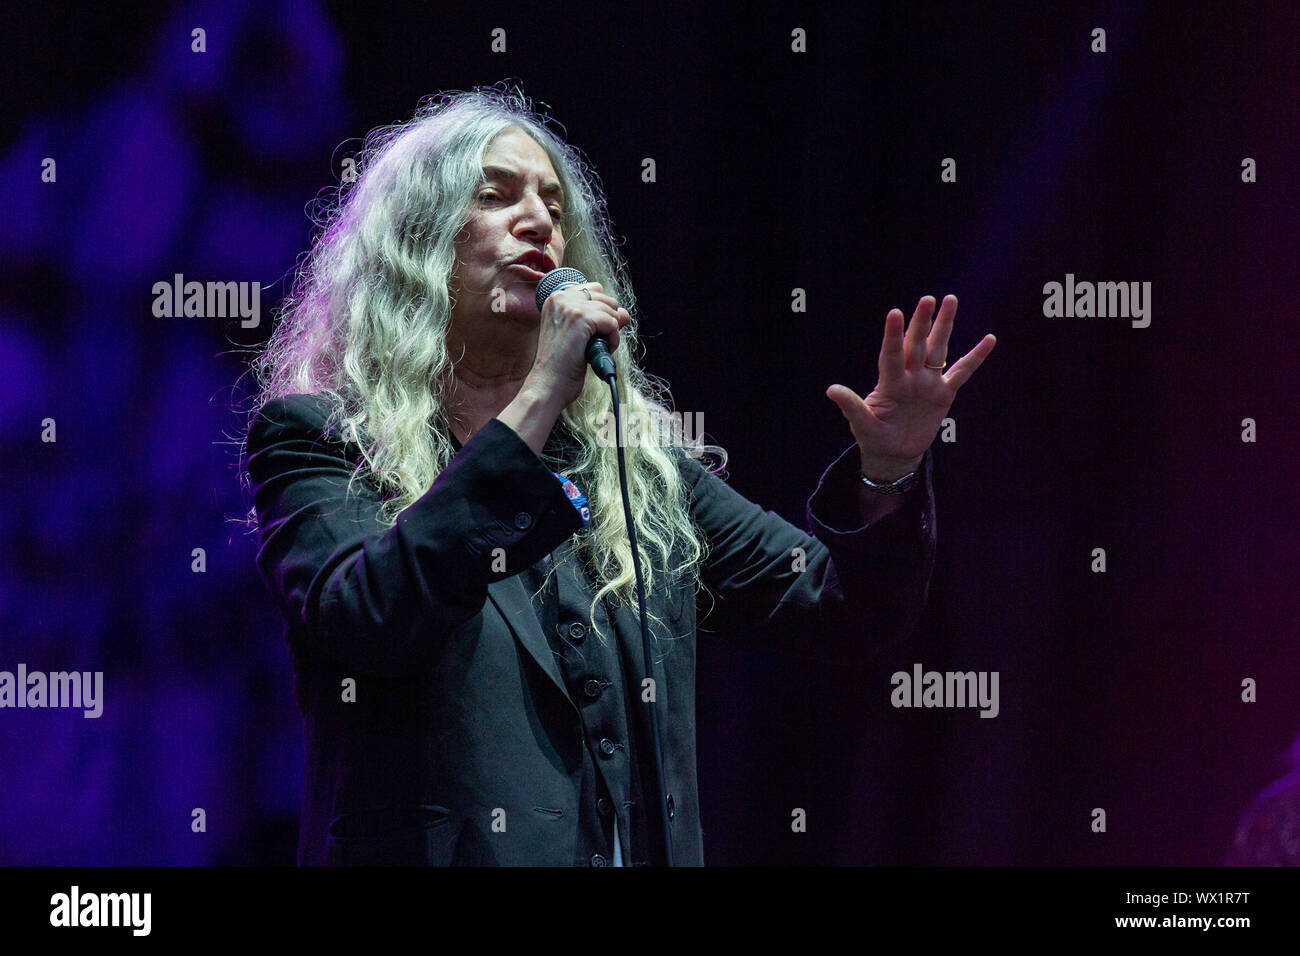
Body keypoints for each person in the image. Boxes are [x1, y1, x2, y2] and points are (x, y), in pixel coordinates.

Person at [240, 85, 996, 866]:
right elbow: (368, 617)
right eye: (496, 196)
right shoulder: (320, 440)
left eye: (554, 206)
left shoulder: (638, 476)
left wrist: (889, 469)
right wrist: (538, 396)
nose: (538, 220)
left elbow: (840, 608)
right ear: (417, 241)